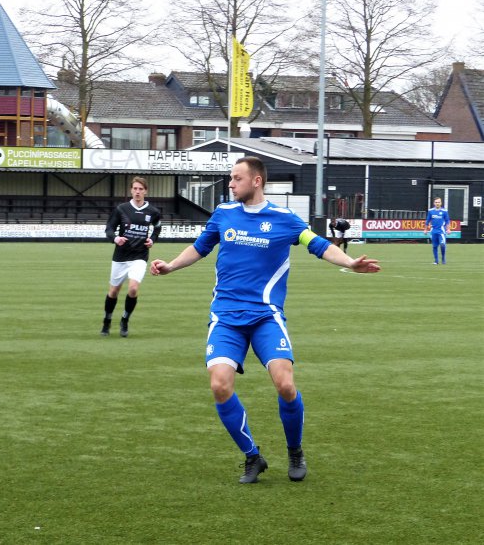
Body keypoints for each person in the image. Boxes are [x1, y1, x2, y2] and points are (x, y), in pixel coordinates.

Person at [150, 157, 381, 484]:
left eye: (236, 178)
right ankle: (252, 456)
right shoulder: (223, 214)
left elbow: (316, 245)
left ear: (256, 181)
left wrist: (348, 262)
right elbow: (200, 248)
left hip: (265, 317)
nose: (231, 184)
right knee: (219, 385)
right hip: (226, 317)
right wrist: (171, 265)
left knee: (285, 384)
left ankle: (295, 450)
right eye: (231, 178)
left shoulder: (284, 219)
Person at [101, 176, 162, 338]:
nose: (137, 191)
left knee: (133, 288)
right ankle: (107, 320)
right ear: (131, 190)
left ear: (145, 191)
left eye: (140, 189)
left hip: (139, 256)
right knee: (113, 292)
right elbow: (109, 228)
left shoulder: (153, 212)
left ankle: (125, 320)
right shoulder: (122, 209)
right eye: (135, 188)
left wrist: (152, 240)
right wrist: (116, 238)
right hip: (121, 256)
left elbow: (157, 228)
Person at [424, 197, 451, 264]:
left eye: (438, 202)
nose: (437, 203)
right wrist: (425, 229)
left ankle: (443, 258)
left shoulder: (444, 211)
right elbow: (427, 221)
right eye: (436, 202)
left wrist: (448, 229)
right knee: (435, 246)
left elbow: (447, 221)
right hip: (433, 231)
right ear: (434, 203)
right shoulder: (431, 211)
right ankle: (436, 260)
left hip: (441, 231)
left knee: (442, 244)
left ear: (441, 203)